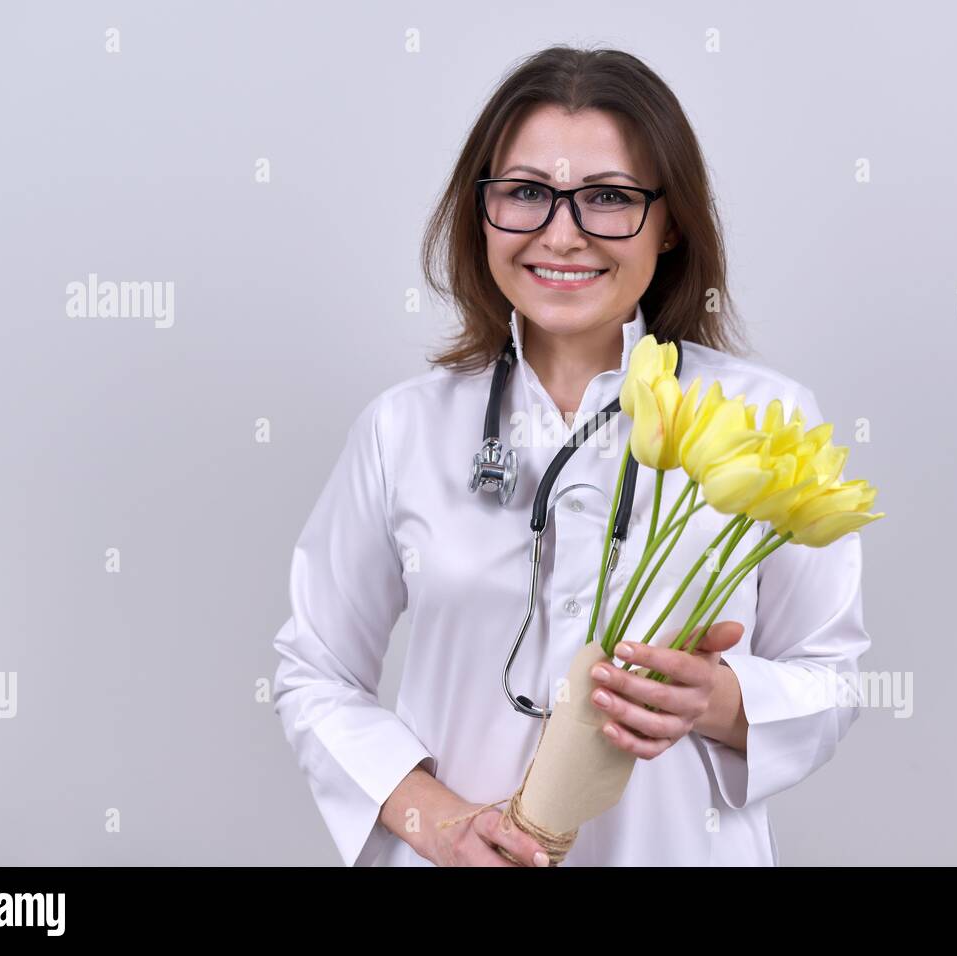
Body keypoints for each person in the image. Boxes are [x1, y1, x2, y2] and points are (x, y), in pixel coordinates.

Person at [271, 46, 871, 867]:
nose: (562, 233)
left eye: (608, 198)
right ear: (479, 211)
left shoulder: (767, 420)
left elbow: (831, 680)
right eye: (525, 193)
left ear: (672, 225)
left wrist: (720, 700)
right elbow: (314, 672)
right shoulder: (401, 430)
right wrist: (437, 822)